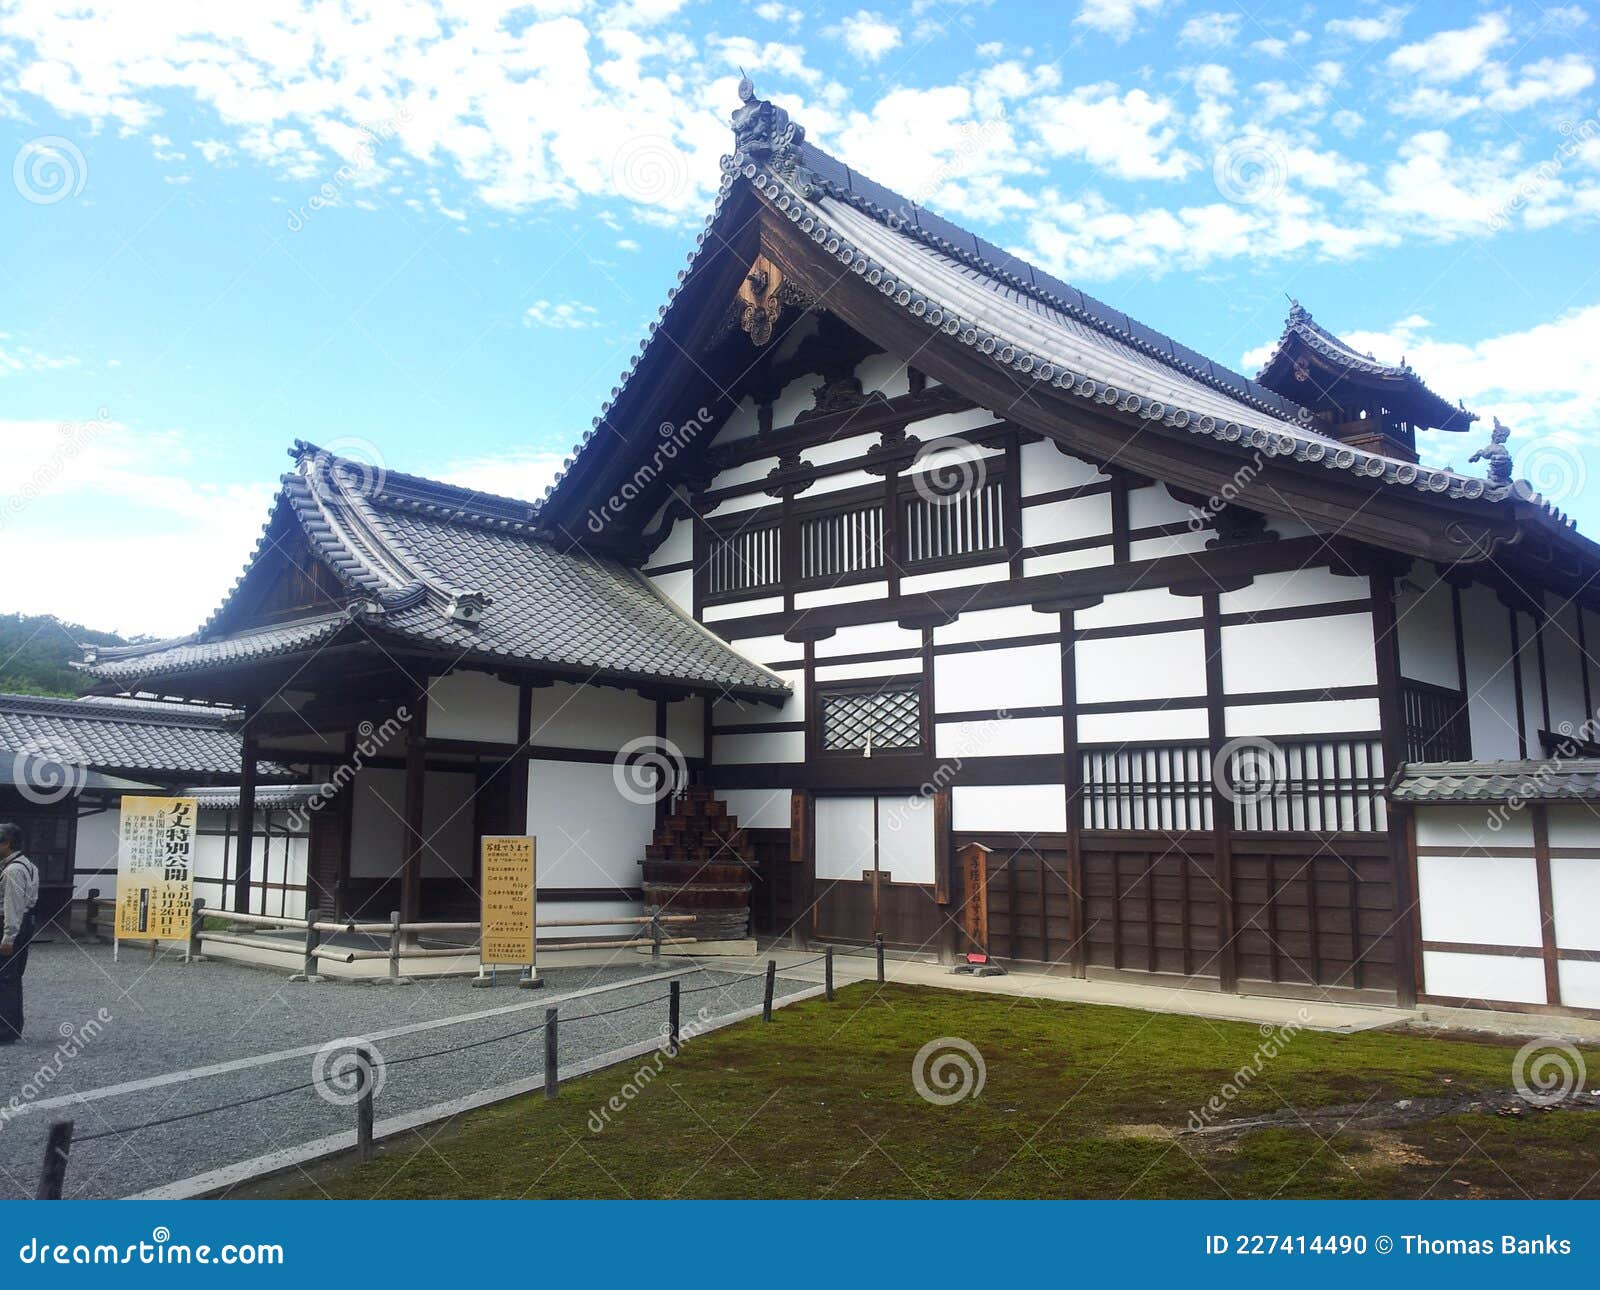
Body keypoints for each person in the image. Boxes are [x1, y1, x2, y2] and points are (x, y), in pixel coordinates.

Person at [0, 822, 41, 1044]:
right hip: (25, 922)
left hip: (12, 924)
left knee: (5, 978)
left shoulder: (13, 870)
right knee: (12, 977)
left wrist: (8, 937)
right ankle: (11, 1027)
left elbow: (12, 906)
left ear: (7, 843)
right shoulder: (27, 864)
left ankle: (5, 1032)